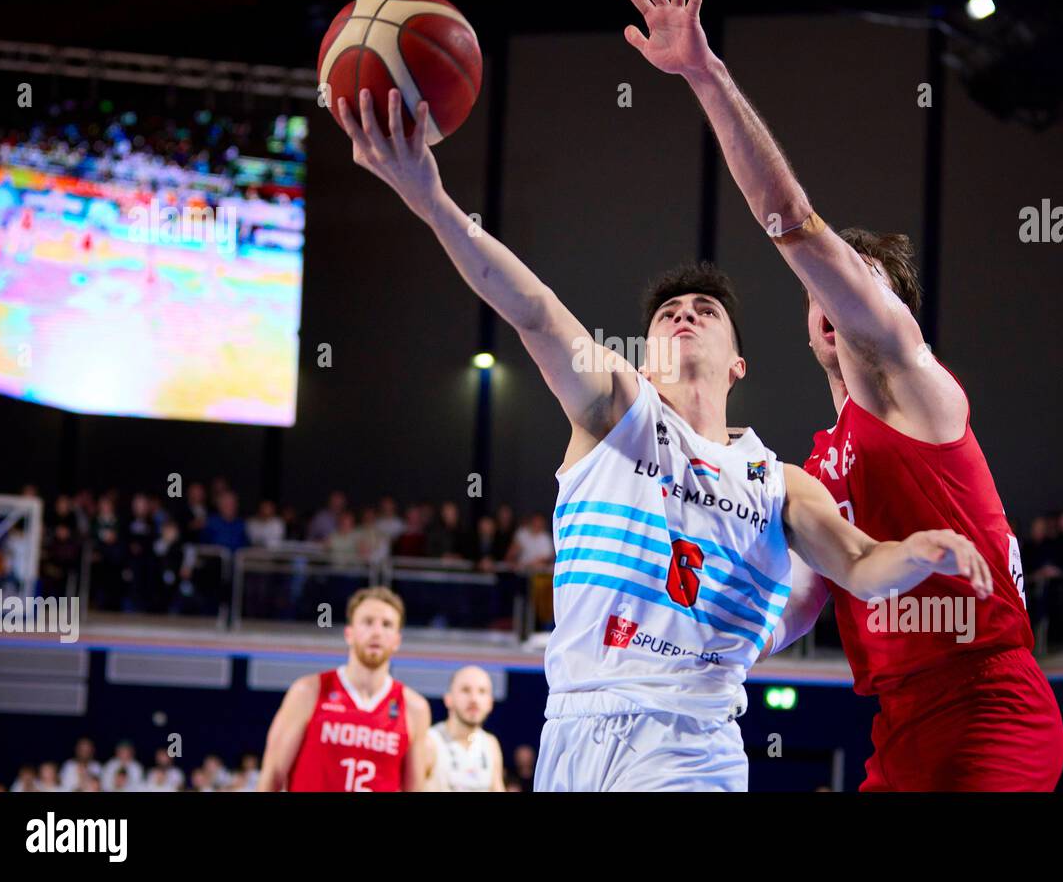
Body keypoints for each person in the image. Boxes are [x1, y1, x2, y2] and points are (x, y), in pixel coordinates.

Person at [334, 84, 991, 791]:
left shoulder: (779, 480)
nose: (685, 315)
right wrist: (432, 201)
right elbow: (534, 311)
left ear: (739, 363)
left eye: (704, 309)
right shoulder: (615, 412)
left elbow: (860, 562)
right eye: (669, 311)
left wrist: (919, 552)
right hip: (574, 733)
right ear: (643, 356)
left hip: (690, 739)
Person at [620, 0, 1061, 790]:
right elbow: (798, 604)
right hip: (897, 726)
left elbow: (788, 219)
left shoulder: (911, 374)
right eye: (831, 281)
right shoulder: (817, 465)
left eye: (858, 279)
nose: (836, 291)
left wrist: (706, 74)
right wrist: (690, 650)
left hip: (990, 702)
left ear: (889, 309)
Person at [258, 587, 430, 791]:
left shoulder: (414, 708)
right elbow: (273, 774)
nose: (377, 632)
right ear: (349, 634)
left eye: (387, 625)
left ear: (397, 641)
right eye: (367, 622)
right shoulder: (308, 691)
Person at [423, 665, 505, 792]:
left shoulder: (490, 744)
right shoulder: (429, 742)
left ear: (490, 703)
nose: (474, 699)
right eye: (465, 690)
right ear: (448, 699)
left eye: (482, 691)